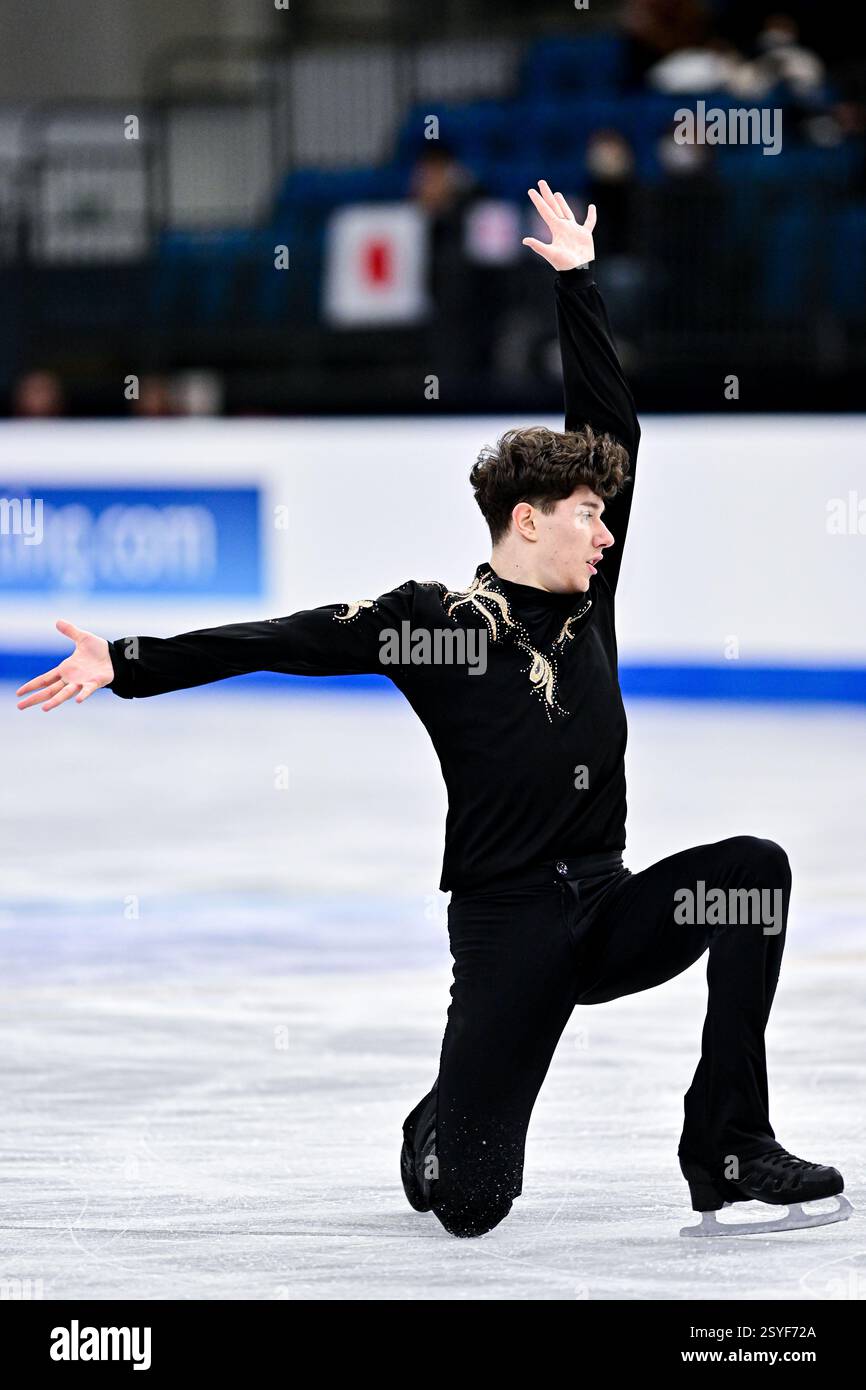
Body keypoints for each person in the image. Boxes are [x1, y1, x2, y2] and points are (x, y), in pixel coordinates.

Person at [16, 180, 850, 1241]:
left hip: (606, 907)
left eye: (607, 518)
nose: (606, 534)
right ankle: (438, 1125)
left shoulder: (593, 593)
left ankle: (724, 1140)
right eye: (588, 517)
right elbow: (288, 637)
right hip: (507, 931)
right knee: (470, 1204)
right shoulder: (435, 622)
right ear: (524, 519)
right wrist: (128, 661)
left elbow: (610, 425)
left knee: (751, 874)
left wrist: (577, 285)